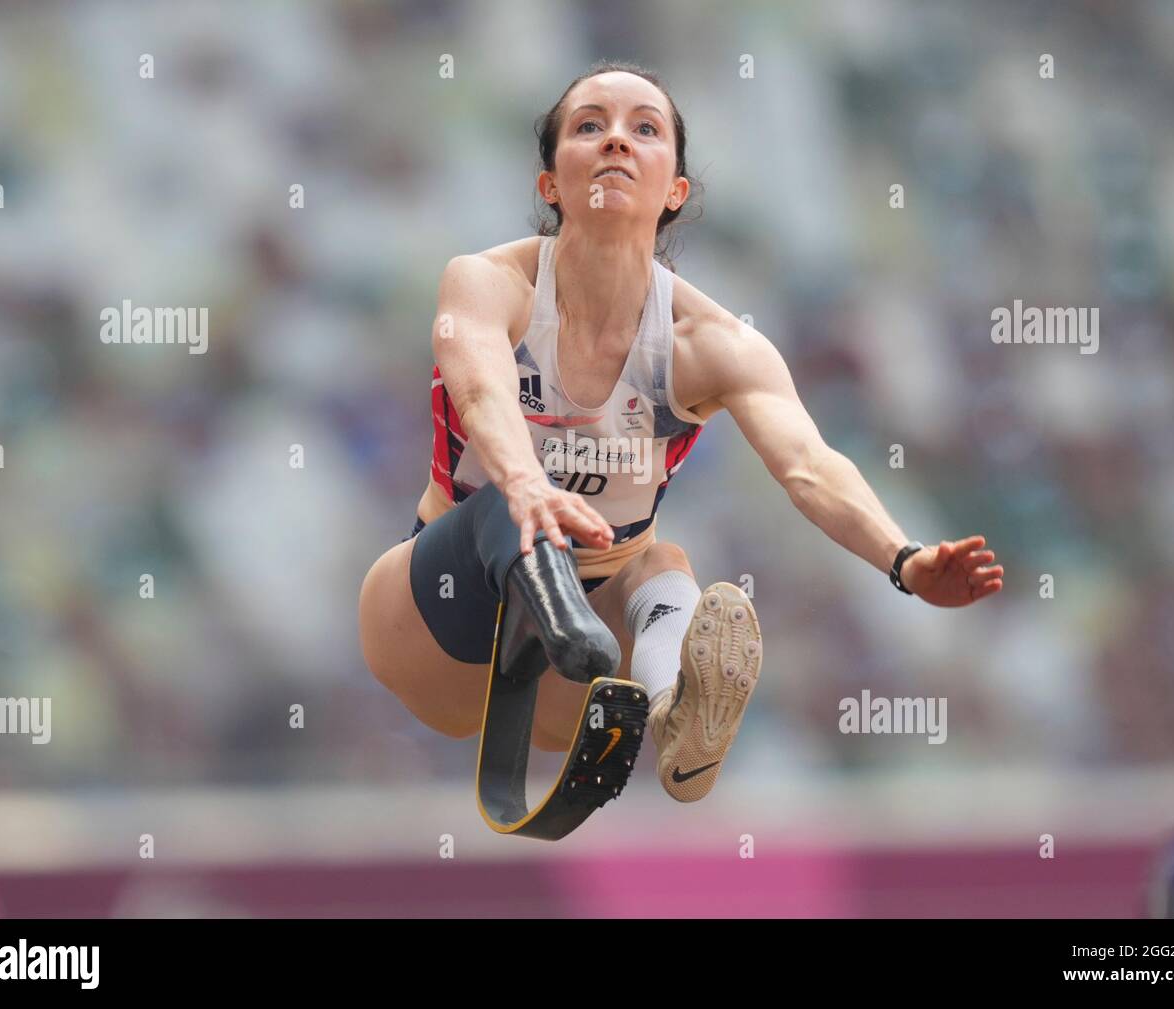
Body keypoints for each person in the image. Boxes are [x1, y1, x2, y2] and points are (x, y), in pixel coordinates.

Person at [359, 61, 1003, 804]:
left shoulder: (712, 344)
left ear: (675, 192)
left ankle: (675, 714)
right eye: (589, 126)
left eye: (645, 129)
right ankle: (559, 603)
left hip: (573, 677)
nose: (616, 143)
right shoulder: (487, 282)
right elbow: (480, 390)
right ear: (550, 184)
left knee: (665, 562)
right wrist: (527, 482)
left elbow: (808, 466)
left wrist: (906, 559)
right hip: (435, 623)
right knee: (513, 508)